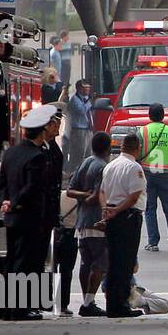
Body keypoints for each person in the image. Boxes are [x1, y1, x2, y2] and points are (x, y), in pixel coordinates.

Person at [0, 103, 55, 320]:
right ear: (42, 130)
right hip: (29, 217)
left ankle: (8, 308)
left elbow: (0, 184)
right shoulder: (37, 157)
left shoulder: (11, 153)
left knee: (11, 261)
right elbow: (32, 187)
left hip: (11, 218)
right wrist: (15, 202)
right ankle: (21, 309)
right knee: (26, 264)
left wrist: (5, 203)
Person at [97, 133, 145, 318]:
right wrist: (116, 210)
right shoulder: (134, 167)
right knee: (125, 263)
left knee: (113, 262)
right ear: (136, 148)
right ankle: (121, 305)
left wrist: (106, 210)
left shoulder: (110, 166)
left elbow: (101, 191)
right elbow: (134, 196)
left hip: (112, 217)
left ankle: (112, 303)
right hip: (127, 217)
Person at [67, 132, 111, 318]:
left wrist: (82, 195)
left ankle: (88, 301)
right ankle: (88, 303)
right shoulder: (103, 167)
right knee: (100, 264)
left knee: (85, 263)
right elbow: (96, 197)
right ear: (108, 148)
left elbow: (69, 191)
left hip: (82, 221)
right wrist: (89, 196)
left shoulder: (85, 162)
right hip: (96, 222)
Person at [139, 103, 168, 252]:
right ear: (163, 116)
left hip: (148, 174)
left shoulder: (143, 131)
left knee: (150, 209)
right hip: (167, 175)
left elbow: (137, 153)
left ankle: (153, 242)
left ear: (149, 116)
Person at [42, 106, 69, 315]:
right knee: (40, 259)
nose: (59, 128)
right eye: (56, 124)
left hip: (49, 211)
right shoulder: (44, 151)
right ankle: (41, 299)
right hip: (41, 211)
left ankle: (46, 299)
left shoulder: (52, 149)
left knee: (47, 260)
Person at [65, 80, 93, 174]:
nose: (88, 89)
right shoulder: (75, 100)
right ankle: (74, 173)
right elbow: (81, 110)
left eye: (88, 87)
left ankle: (85, 173)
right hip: (79, 130)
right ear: (79, 88)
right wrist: (88, 103)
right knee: (78, 154)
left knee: (89, 153)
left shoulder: (86, 99)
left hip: (88, 129)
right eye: (85, 87)